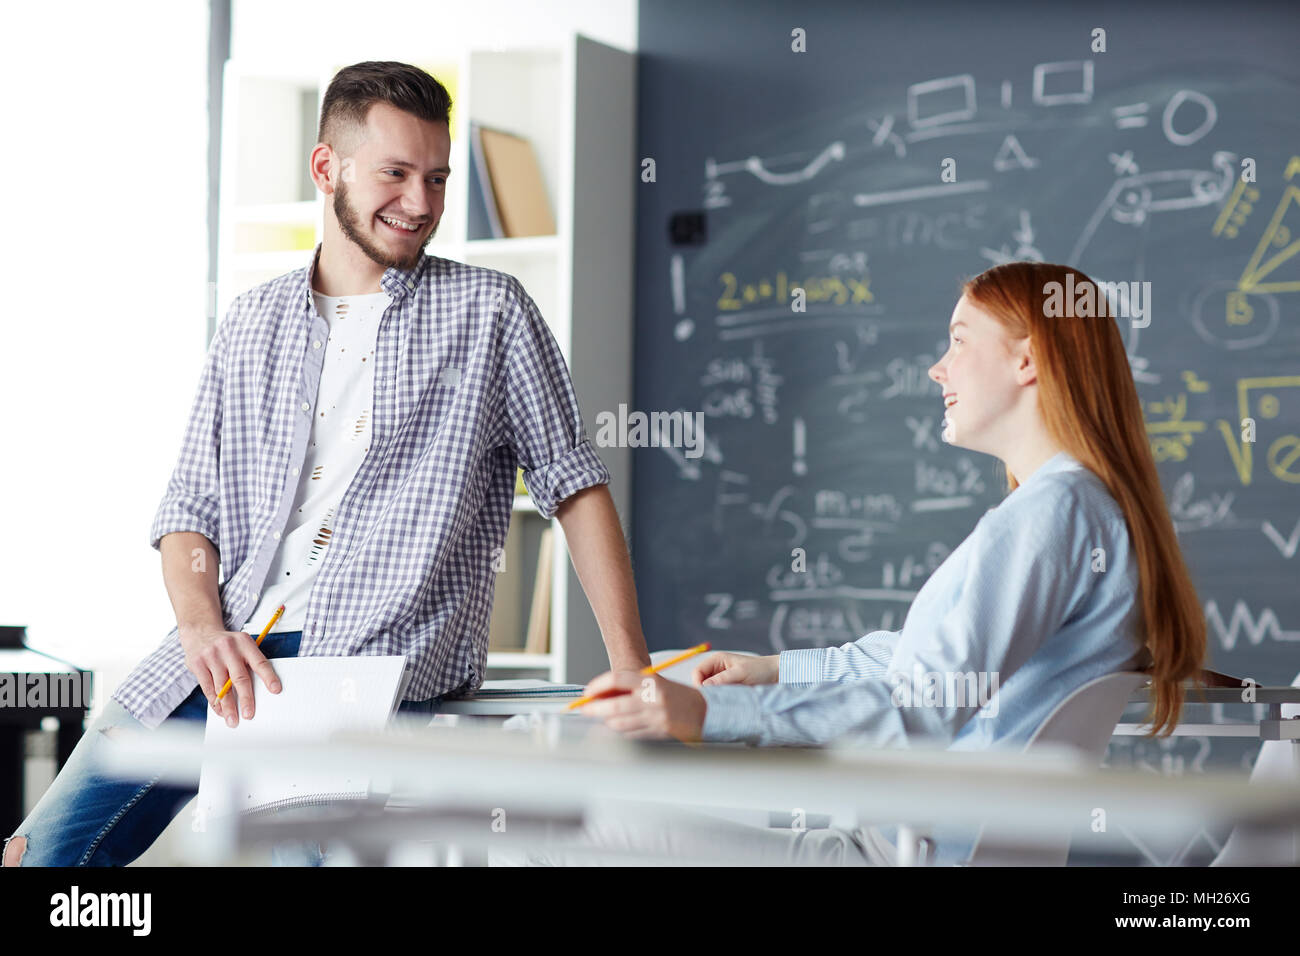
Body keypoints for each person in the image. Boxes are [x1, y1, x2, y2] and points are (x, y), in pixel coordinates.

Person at [4, 61, 650, 868]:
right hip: (214, 659)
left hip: (367, 672)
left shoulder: (491, 312)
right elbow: (187, 511)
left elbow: (572, 486)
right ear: (326, 168)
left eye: (438, 178)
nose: (421, 203)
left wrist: (633, 668)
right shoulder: (252, 321)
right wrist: (202, 628)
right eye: (396, 173)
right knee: (38, 856)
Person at [557, 261, 1207, 866]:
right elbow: (926, 660)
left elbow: (920, 709)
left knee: (570, 818)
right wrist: (775, 670)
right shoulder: (1084, 508)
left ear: (1028, 360)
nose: (937, 369)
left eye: (958, 341)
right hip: (907, 835)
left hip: (896, 849)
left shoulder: (1053, 513)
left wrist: (702, 714)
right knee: (624, 794)